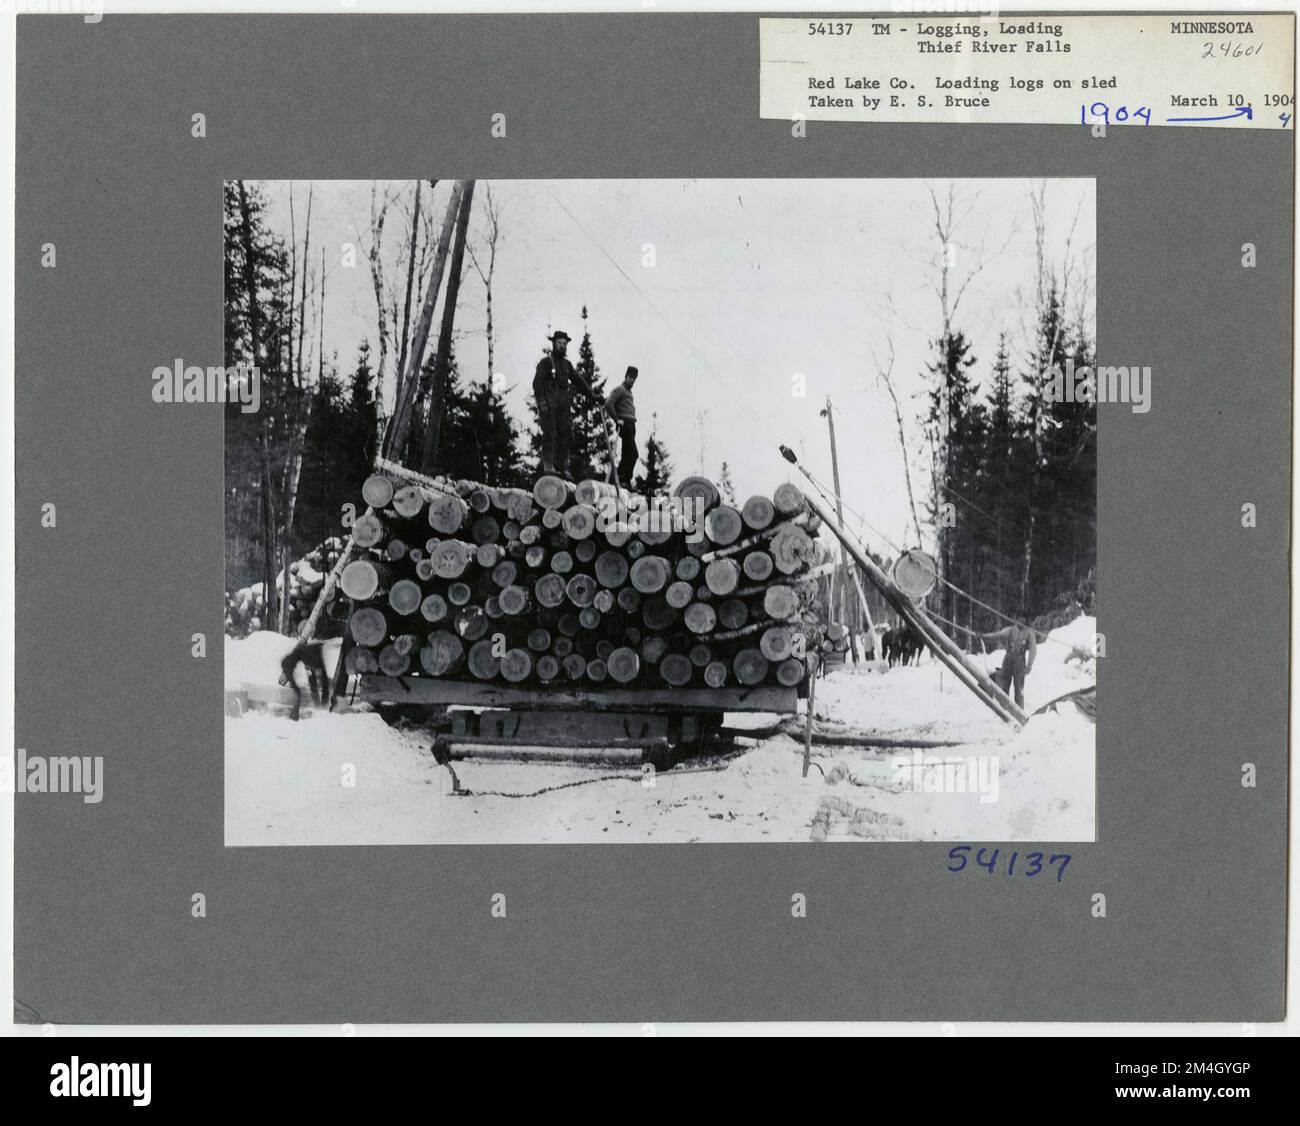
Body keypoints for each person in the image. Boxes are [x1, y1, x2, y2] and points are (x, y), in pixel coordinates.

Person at [533, 330, 577, 475]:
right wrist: (542, 404)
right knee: (550, 435)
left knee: (565, 436)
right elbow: (537, 384)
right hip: (550, 406)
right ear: (554, 344)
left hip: (564, 407)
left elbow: (579, 381)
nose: (562, 346)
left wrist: (593, 395)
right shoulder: (546, 363)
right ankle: (548, 466)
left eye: (564, 343)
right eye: (559, 343)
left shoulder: (567, 365)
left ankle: (562, 468)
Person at [980, 622, 1038, 708]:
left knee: (1019, 689)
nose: (1021, 620)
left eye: (1023, 618)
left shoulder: (1029, 634)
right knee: (1004, 686)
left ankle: (1019, 712)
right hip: (1008, 659)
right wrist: (984, 636)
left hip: (1020, 661)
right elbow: (998, 635)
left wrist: (1029, 665)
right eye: (1019, 618)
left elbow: (1033, 650)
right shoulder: (1011, 629)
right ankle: (1004, 710)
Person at [604, 365, 639, 488]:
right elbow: (608, 404)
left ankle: (624, 479)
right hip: (625, 424)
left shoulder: (629, 392)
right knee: (631, 453)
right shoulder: (619, 390)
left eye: (634, 378)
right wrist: (616, 419)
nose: (632, 381)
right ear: (626, 376)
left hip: (631, 424)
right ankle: (623, 478)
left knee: (631, 453)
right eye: (631, 377)